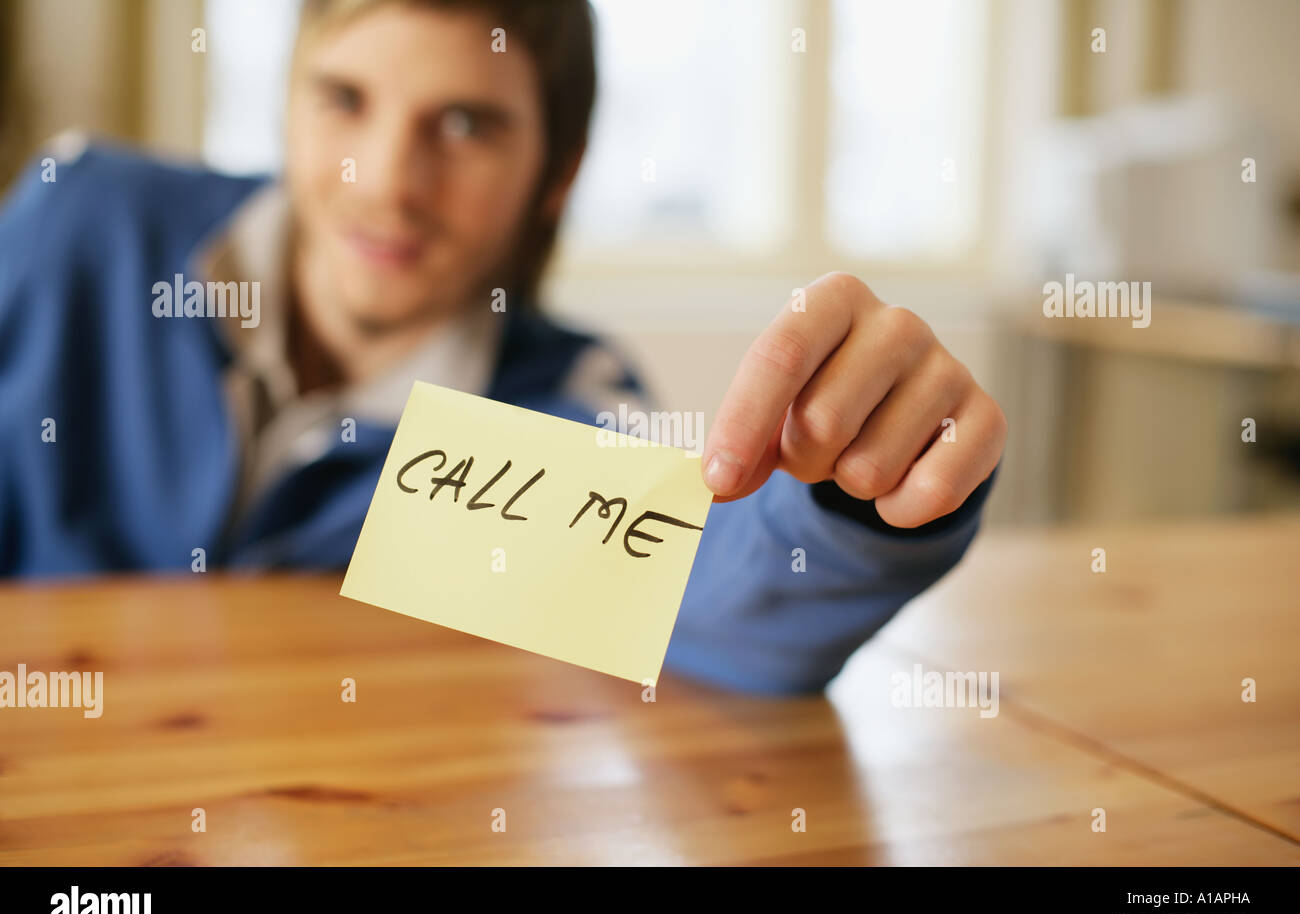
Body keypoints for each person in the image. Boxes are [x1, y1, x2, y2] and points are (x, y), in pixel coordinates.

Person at [0, 0, 1005, 694]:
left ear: (556, 174)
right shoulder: (79, 224)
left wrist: (854, 486)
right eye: (344, 99)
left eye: (466, 125)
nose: (389, 181)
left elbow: (723, 602)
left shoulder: (542, 411)